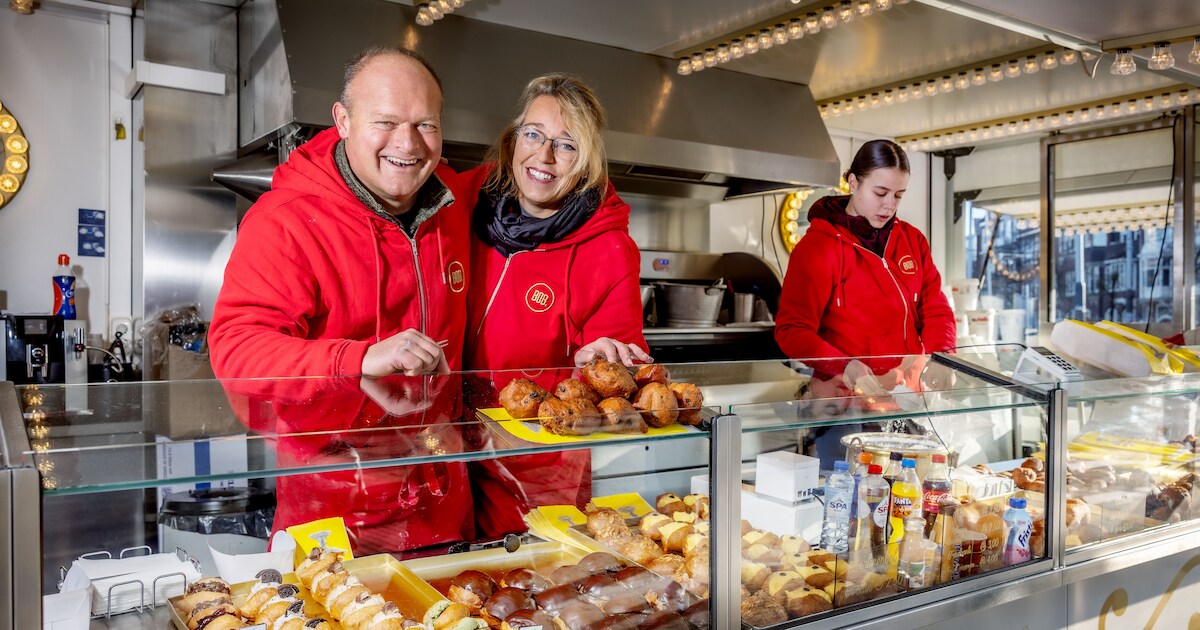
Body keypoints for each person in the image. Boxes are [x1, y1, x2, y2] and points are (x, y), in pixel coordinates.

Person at [208, 46, 475, 552]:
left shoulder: (452, 203)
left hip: (443, 507)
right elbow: (236, 350)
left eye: (426, 125)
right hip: (336, 514)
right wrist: (358, 359)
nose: (408, 143)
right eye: (386, 122)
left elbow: (558, 186)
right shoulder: (284, 219)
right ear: (343, 120)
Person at [457, 73, 650, 537]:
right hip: (444, 450)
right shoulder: (461, 201)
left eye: (565, 145)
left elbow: (620, 371)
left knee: (530, 591)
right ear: (513, 138)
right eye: (533, 134)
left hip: (538, 466)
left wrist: (597, 362)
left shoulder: (608, 249)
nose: (543, 156)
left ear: (585, 163)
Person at [775, 139, 956, 391]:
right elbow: (792, 331)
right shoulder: (817, 249)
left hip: (907, 399)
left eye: (898, 195)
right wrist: (844, 365)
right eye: (880, 193)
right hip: (844, 401)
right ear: (853, 183)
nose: (889, 205)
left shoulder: (912, 240)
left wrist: (943, 356)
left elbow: (935, 309)